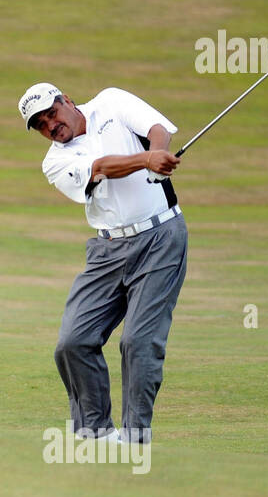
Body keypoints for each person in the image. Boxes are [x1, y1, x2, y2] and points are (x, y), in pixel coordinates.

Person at [19, 82, 187, 444]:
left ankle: (135, 438)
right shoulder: (55, 162)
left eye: (52, 113)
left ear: (67, 101)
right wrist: (146, 161)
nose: (51, 125)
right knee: (73, 340)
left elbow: (156, 128)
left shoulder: (112, 101)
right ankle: (95, 433)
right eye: (41, 125)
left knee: (139, 342)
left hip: (160, 239)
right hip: (107, 251)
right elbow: (101, 168)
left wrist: (158, 154)